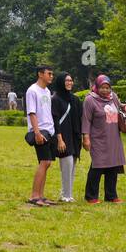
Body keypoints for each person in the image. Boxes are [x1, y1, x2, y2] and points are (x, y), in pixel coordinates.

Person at [81, 75, 126, 203]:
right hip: (98, 138)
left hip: (113, 138)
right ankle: (91, 196)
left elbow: (119, 107)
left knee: (113, 166)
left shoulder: (113, 97)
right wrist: (86, 137)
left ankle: (111, 195)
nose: (105, 90)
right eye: (102, 87)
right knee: (97, 166)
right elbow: (86, 119)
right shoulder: (90, 100)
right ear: (97, 86)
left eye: (107, 88)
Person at [25, 65, 57, 206]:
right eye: (49, 73)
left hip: (49, 131)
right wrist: (36, 132)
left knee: (47, 163)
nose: (51, 76)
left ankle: (41, 196)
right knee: (44, 162)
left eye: (52, 74)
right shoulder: (32, 91)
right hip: (40, 131)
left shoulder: (47, 91)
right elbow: (32, 112)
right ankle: (34, 196)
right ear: (40, 74)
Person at [51, 72, 82, 202]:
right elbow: (55, 119)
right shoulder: (56, 99)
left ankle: (69, 194)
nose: (69, 83)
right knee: (67, 164)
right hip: (63, 136)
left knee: (72, 165)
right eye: (66, 80)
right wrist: (59, 139)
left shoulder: (75, 99)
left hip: (74, 136)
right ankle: (65, 194)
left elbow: (80, 117)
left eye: (71, 80)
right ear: (61, 82)